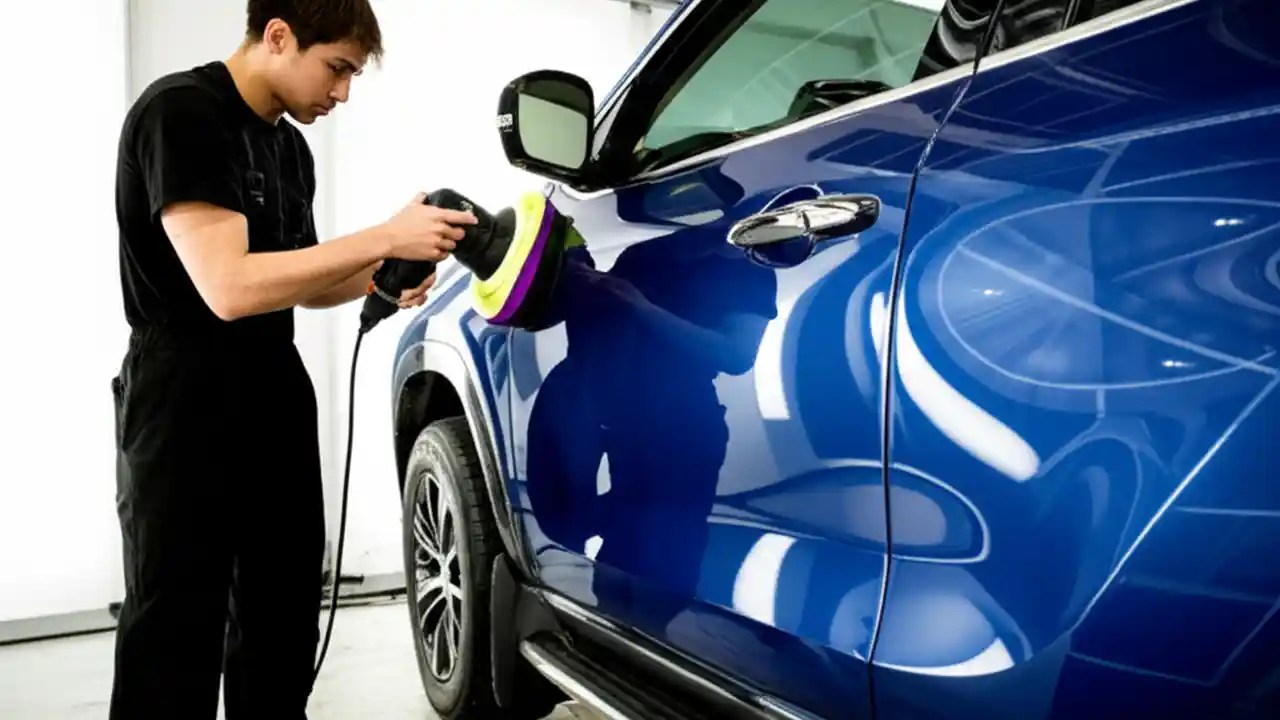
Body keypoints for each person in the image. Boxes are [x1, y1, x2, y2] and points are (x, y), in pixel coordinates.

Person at [108, 1, 476, 717]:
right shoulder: (181, 115)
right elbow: (230, 286)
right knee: (176, 621)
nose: (341, 93)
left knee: (280, 616)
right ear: (278, 35)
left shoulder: (287, 147)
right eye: (336, 68)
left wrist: (380, 276)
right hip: (182, 395)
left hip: (272, 387)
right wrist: (380, 236)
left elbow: (296, 281)